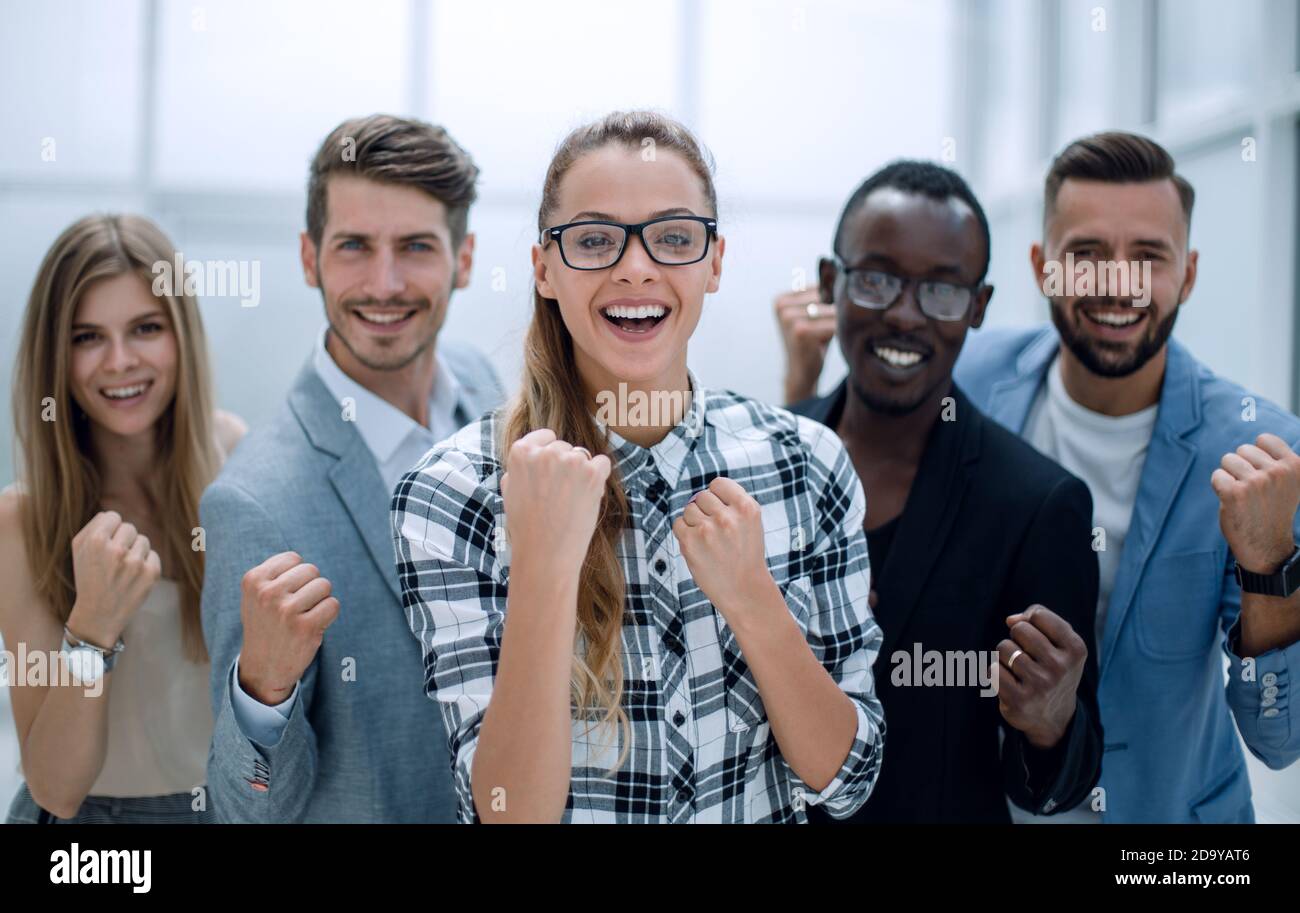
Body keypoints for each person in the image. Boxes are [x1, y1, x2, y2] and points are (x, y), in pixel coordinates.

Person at [778, 132, 1300, 823]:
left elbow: (1280, 737)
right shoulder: (969, 371)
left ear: (1190, 274)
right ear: (1041, 267)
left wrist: (1270, 571)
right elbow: (864, 403)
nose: (1117, 282)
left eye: (1149, 256)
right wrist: (798, 389)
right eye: (1085, 255)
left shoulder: (1257, 452)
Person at [392, 110, 885, 824]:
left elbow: (848, 778)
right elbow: (505, 813)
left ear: (715, 262)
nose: (635, 266)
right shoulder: (450, 493)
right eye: (593, 239)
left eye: (674, 237)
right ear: (545, 269)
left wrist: (753, 599)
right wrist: (544, 569)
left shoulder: (808, 463)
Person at [201, 114, 503, 823]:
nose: (385, 282)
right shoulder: (252, 502)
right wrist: (264, 688)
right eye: (354, 247)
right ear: (310, 258)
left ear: (464, 258)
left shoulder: (486, 388)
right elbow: (240, 810)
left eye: (417, 246)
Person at [790, 161, 1102, 823]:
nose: (905, 314)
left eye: (943, 289)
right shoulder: (761, 461)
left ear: (979, 307)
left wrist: (1049, 720)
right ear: (829, 282)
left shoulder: (1035, 504)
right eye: (875, 279)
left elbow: (1057, 782)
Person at [1, 214, 245, 823]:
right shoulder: (20, 523)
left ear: (180, 334)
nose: (119, 361)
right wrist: (93, 625)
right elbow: (56, 789)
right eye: (87, 337)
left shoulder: (231, 455)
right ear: (56, 354)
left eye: (144, 328)